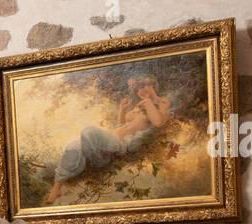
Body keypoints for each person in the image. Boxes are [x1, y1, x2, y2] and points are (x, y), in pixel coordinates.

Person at [43, 74, 171, 205]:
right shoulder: (138, 106)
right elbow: (122, 125)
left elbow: (158, 122)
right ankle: (57, 187)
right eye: (137, 89)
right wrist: (122, 109)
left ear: (152, 85)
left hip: (123, 144)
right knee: (73, 146)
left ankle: (100, 161)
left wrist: (149, 103)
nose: (140, 91)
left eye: (143, 86)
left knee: (88, 131)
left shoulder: (161, 102)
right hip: (112, 136)